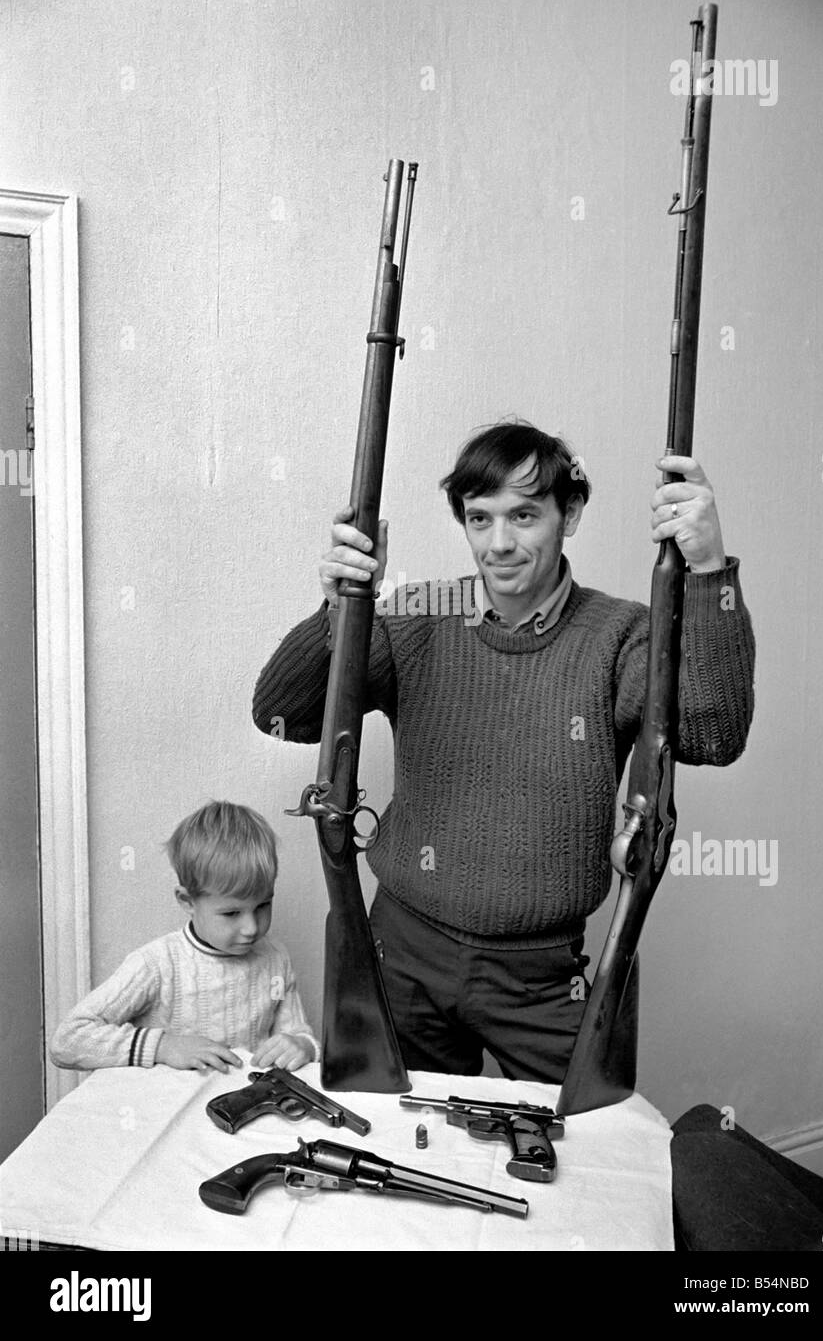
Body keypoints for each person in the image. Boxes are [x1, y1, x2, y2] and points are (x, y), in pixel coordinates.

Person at [252, 420, 755, 1084]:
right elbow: (282, 715)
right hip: (401, 955)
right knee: (398, 1151)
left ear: (568, 514)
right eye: (478, 518)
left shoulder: (621, 634)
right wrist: (339, 607)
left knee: (581, 1161)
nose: (499, 543)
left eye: (523, 515)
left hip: (541, 982)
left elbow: (712, 736)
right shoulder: (418, 615)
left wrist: (708, 570)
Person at [50, 801, 319, 1074]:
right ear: (187, 900)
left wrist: (301, 1045)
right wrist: (164, 1046)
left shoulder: (275, 957)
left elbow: (295, 1032)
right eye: (231, 913)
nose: (251, 927)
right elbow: (68, 1040)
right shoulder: (156, 963)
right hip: (165, 1110)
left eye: (263, 906)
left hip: (247, 1106)